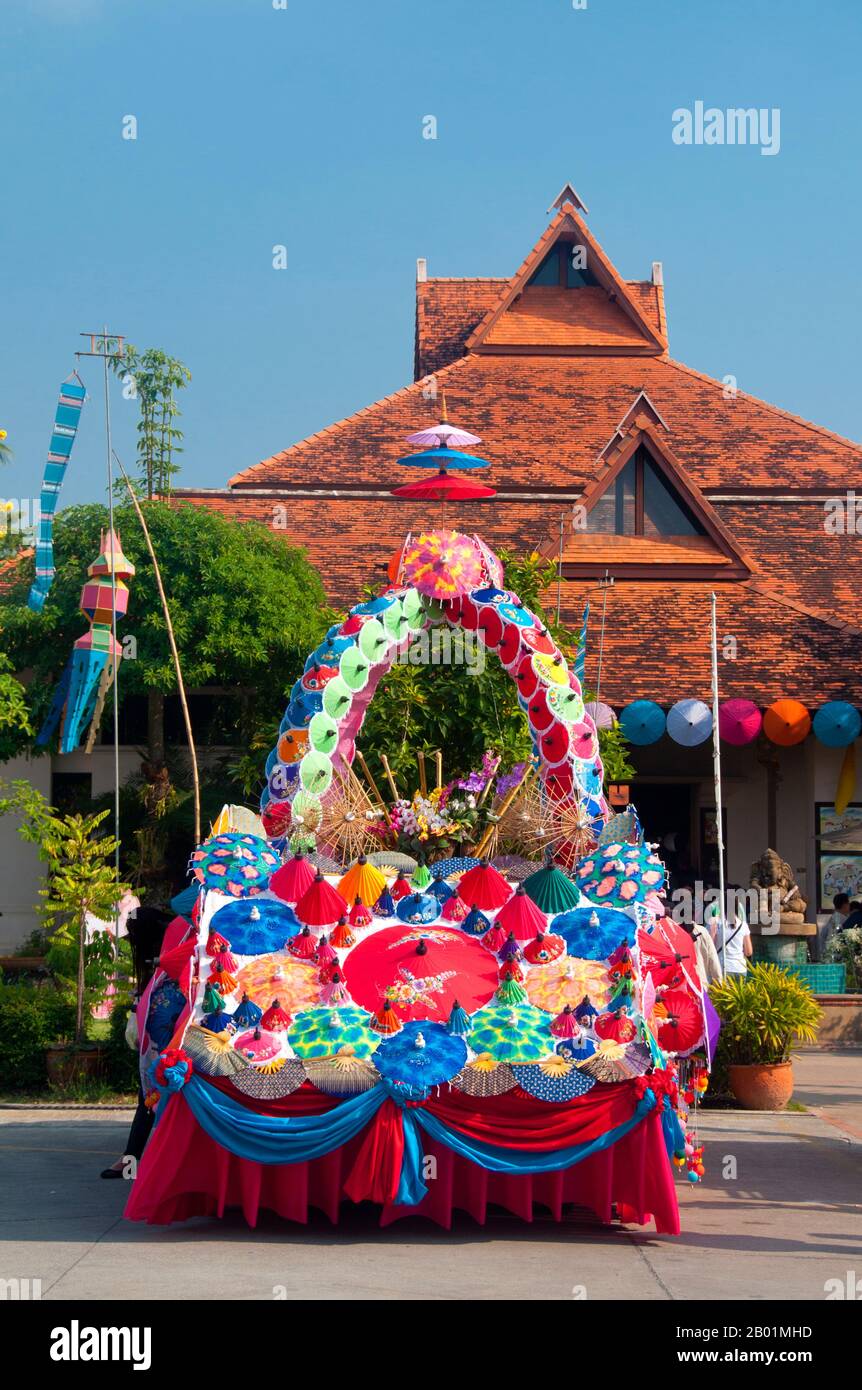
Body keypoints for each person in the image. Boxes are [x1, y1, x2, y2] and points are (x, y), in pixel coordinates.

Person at [100, 906, 175, 1180]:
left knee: (151, 1097)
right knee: (146, 1097)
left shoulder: (171, 959)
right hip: (158, 1041)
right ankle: (130, 1160)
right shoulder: (158, 959)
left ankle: (133, 1162)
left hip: (168, 1042)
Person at [706, 885, 753, 977]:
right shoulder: (743, 925)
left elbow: (710, 947)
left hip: (722, 968)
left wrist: (713, 932)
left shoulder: (715, 922)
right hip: (740, 968)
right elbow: (749, 952)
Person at [817, 892, 850, 961]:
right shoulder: (838, 919)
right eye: (848, 903)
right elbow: (832, 940)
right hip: (834, 959)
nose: (849, 906)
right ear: (845, 905)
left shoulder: (837, 917)